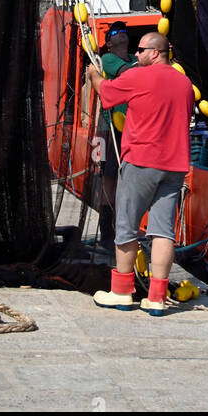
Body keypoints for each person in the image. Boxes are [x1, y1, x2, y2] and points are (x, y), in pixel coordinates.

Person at [87, 31, 193, 315]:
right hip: (174, 166)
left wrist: (94, 75)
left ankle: (121, 292)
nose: (136, 54)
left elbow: (106, 93)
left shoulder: (138, 76)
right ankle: (156, 297)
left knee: (126, 226)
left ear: (155, 52)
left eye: (141, 50)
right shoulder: (185, 84)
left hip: (142, 163)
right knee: (163, 232)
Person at [81, 23, 136, 249]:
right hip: (110, 128)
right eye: (115, 32)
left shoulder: (134, 58)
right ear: (110, 42)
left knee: (127, 180)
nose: (120, 33)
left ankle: (122, 228)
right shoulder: (109, 59)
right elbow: (131, 74)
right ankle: (106, 230)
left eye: (123, 30)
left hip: (131, 127)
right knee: (109, 178)